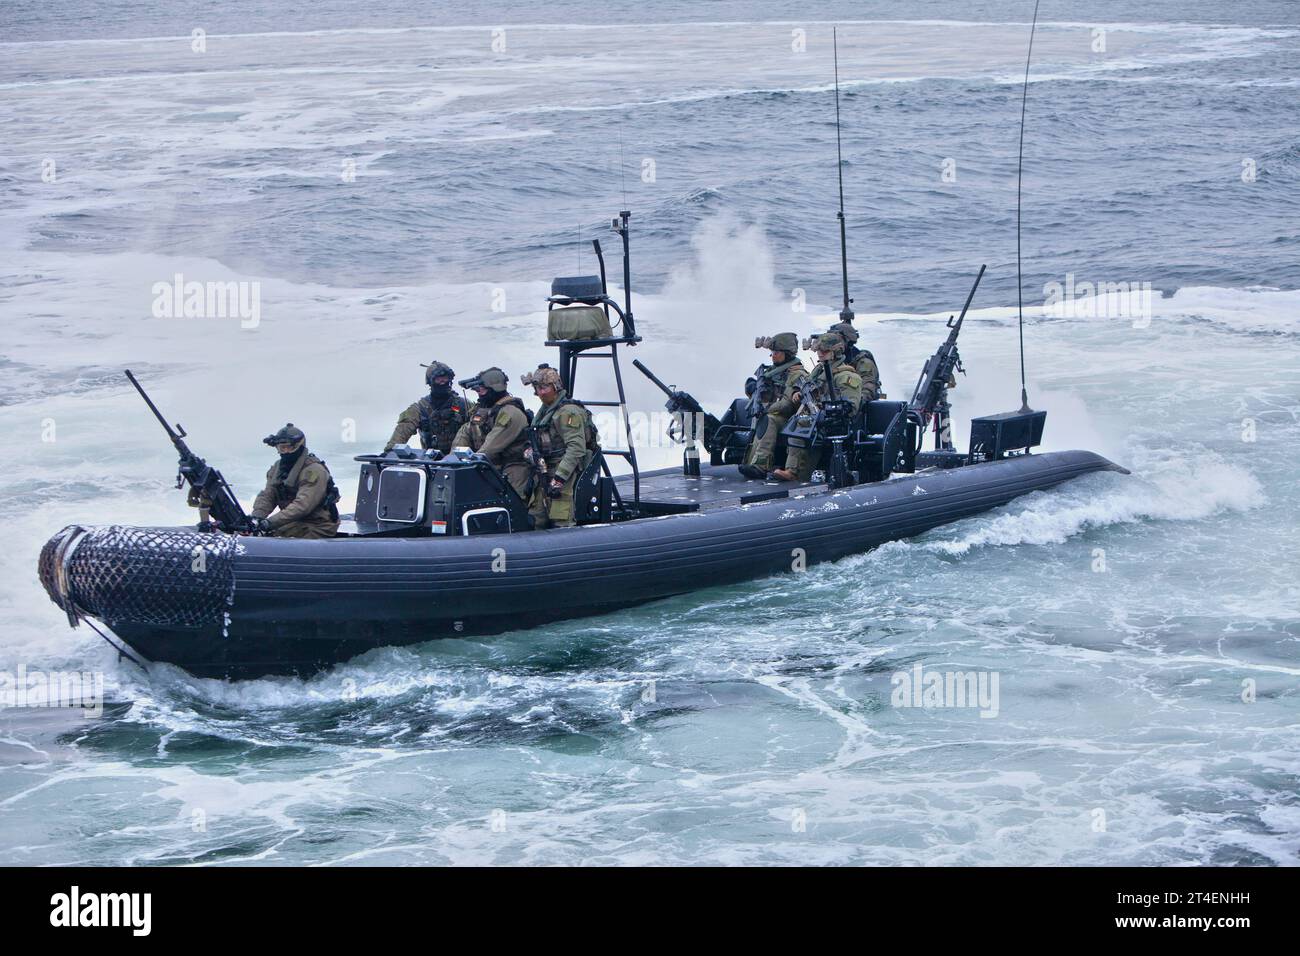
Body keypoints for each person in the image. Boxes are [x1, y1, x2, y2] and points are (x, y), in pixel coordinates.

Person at [771, 332, 863, 482]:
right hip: (815, 417)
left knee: (804, 423)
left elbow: (850, 408)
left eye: (825, 351)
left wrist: (826, 409)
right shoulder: (818, 371)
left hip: (834, 423)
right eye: (819, 351)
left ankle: (794, 472)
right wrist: (798, 393)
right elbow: (806, 385)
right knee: (794, 421)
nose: (820, 354)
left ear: (836, 352)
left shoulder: (847, 376)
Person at [521, 363, 597, 530]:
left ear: (555, 387)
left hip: (562, 471)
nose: (540, 393)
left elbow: (576, 448)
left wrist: (559, 478)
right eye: (537, 388)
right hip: (543, 470)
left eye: (544, 388)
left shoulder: (567, 412)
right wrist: (529, 453)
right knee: (536, 517)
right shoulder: (545, 411)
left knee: (561, 517)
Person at [452, 367, 533, 498]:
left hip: (513, 469)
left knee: (512, 504)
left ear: (495, 389)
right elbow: (466, 431)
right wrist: (453, 460)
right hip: (491, 468)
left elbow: (490, 447)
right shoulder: (485, 409)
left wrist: (471, 463)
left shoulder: (510, 412)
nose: (479, 394)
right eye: (477, 390)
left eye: (482, 390)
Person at [249, 424, 340, 538]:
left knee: (278, 543)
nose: (286, 452)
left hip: (317, 525)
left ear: (299, 446)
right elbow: (268, 495)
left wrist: (270, 523)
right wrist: (256, 517)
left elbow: (302, 506)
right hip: (293, 523)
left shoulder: (313, 471)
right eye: (282, 448)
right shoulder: (278, 468)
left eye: (290, 447)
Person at [738, 332, 807, 479]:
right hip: (770, 414)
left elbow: (787, 405)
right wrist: (754, 391)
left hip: (789, 419)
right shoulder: (771, 372)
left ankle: (761, 466)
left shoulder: (797, 374)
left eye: (777, 353)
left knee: (770, 419)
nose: (773, 356)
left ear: (787, 354)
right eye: (772, 352)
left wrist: (766, 409)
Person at [384, 361, 472, 454]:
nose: (442, 382)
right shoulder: (420, 408)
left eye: (445, 378)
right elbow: (403, 430)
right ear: (430, 382)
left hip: (461, 459)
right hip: (431, 460)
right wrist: (390, 452)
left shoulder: (464, 404)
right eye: (438, 379)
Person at [828, 321, 883, 401]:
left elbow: (868, 390)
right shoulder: (834, 360)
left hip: (860, 408)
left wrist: (851, 402)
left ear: (847, 342)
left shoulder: (864, 363)